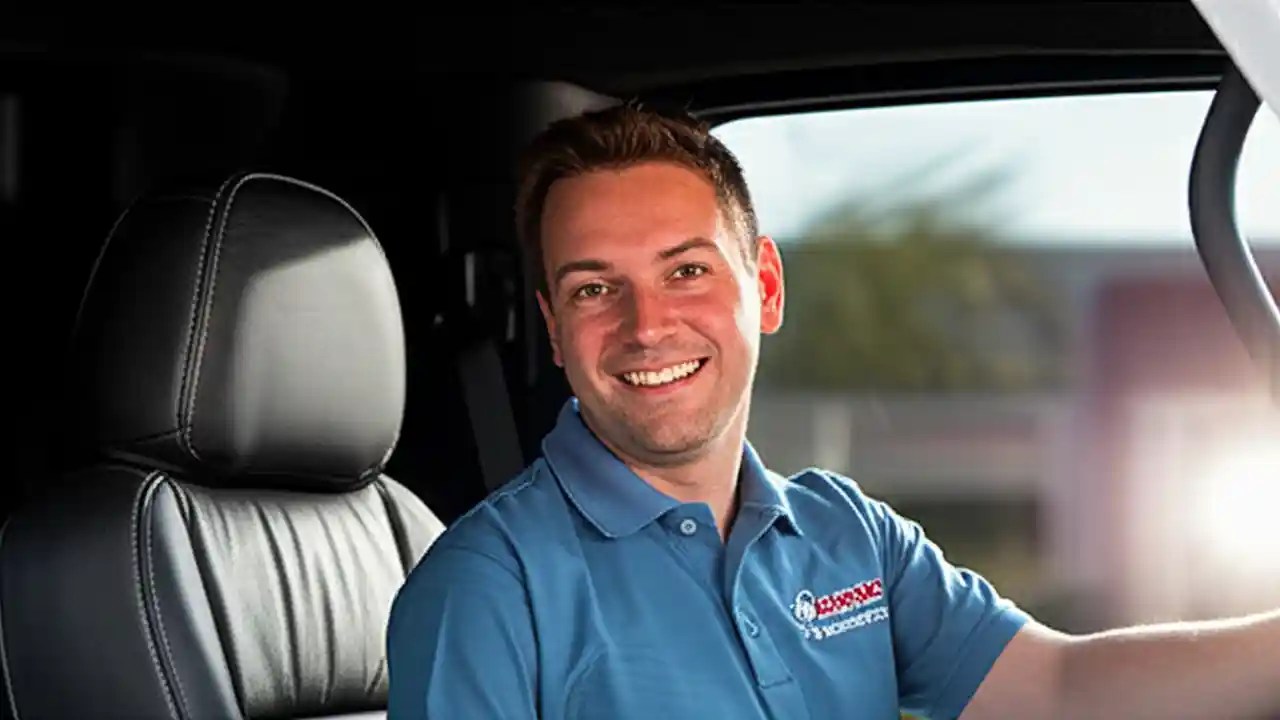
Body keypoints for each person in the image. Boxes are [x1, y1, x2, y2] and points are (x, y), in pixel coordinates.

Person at [386, 101, 1280, 719]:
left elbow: (1054, 689)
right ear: (552, 327)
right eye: (593, 289)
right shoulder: (485, 590)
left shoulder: (844, 532)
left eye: (687, 271)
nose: (646, 325)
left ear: (765, 288)